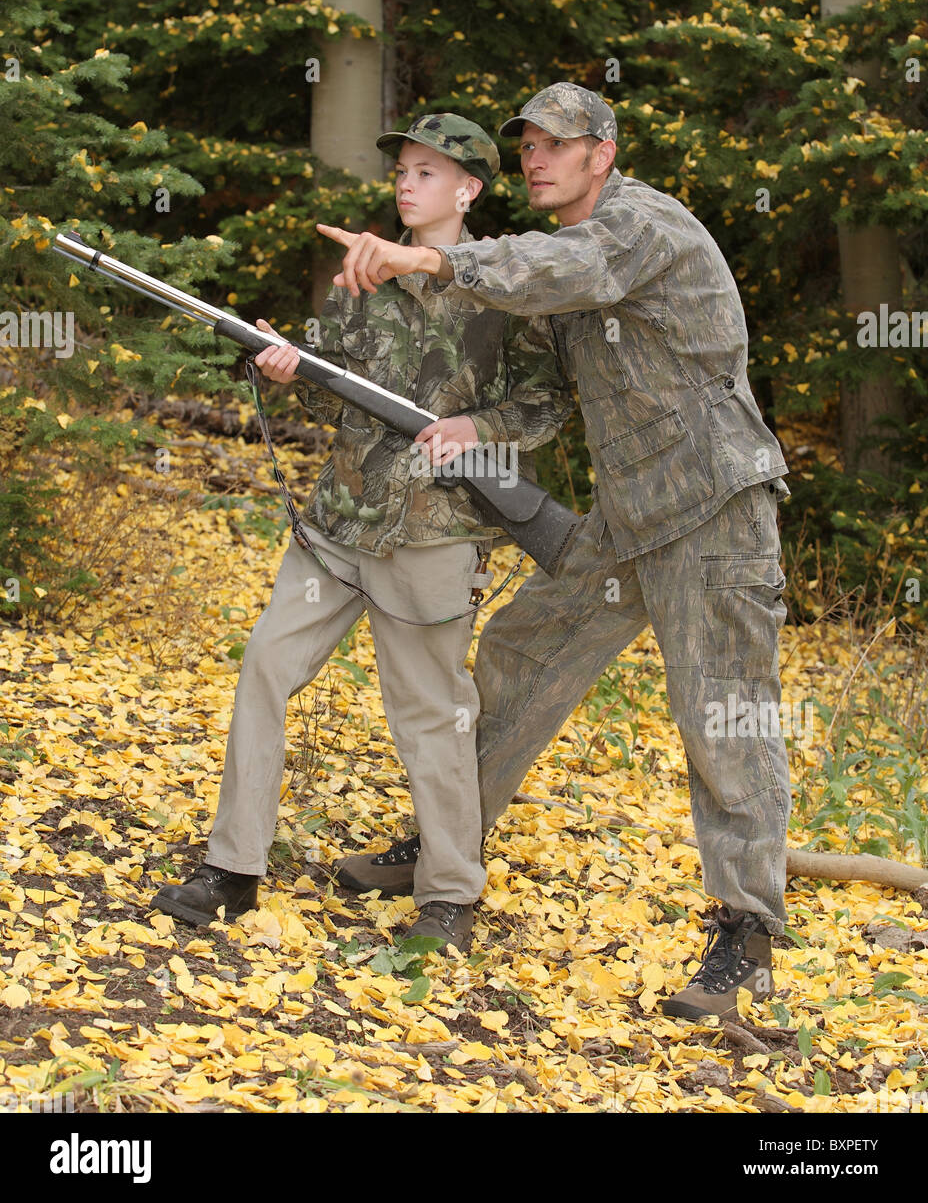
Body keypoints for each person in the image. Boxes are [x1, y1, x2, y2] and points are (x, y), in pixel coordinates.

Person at [317, 82, 792, 1019]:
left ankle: (748, 935)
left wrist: (434, 254)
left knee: (723, 716)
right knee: (518, 651)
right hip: (627, 516)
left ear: (602, 153)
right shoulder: (568, 252)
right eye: (526, 144)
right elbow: (534, 371)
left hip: (715, 508)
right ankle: (448, 840)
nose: (535, 157)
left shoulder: (637, 227)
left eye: (556, 144)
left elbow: (554, 267)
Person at [149, 113, 572, 953]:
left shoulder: (505, 290)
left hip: (433, 535)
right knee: (266, 666)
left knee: (429, 713)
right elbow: (326, 396)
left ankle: (450, 894)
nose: (407, 184)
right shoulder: (357, 283)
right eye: (402, 171)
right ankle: (232, 869)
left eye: (426, 172)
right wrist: (286, 364)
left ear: (468, 190)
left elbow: (549, 402)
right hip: (338, 525)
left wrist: (478, 429)